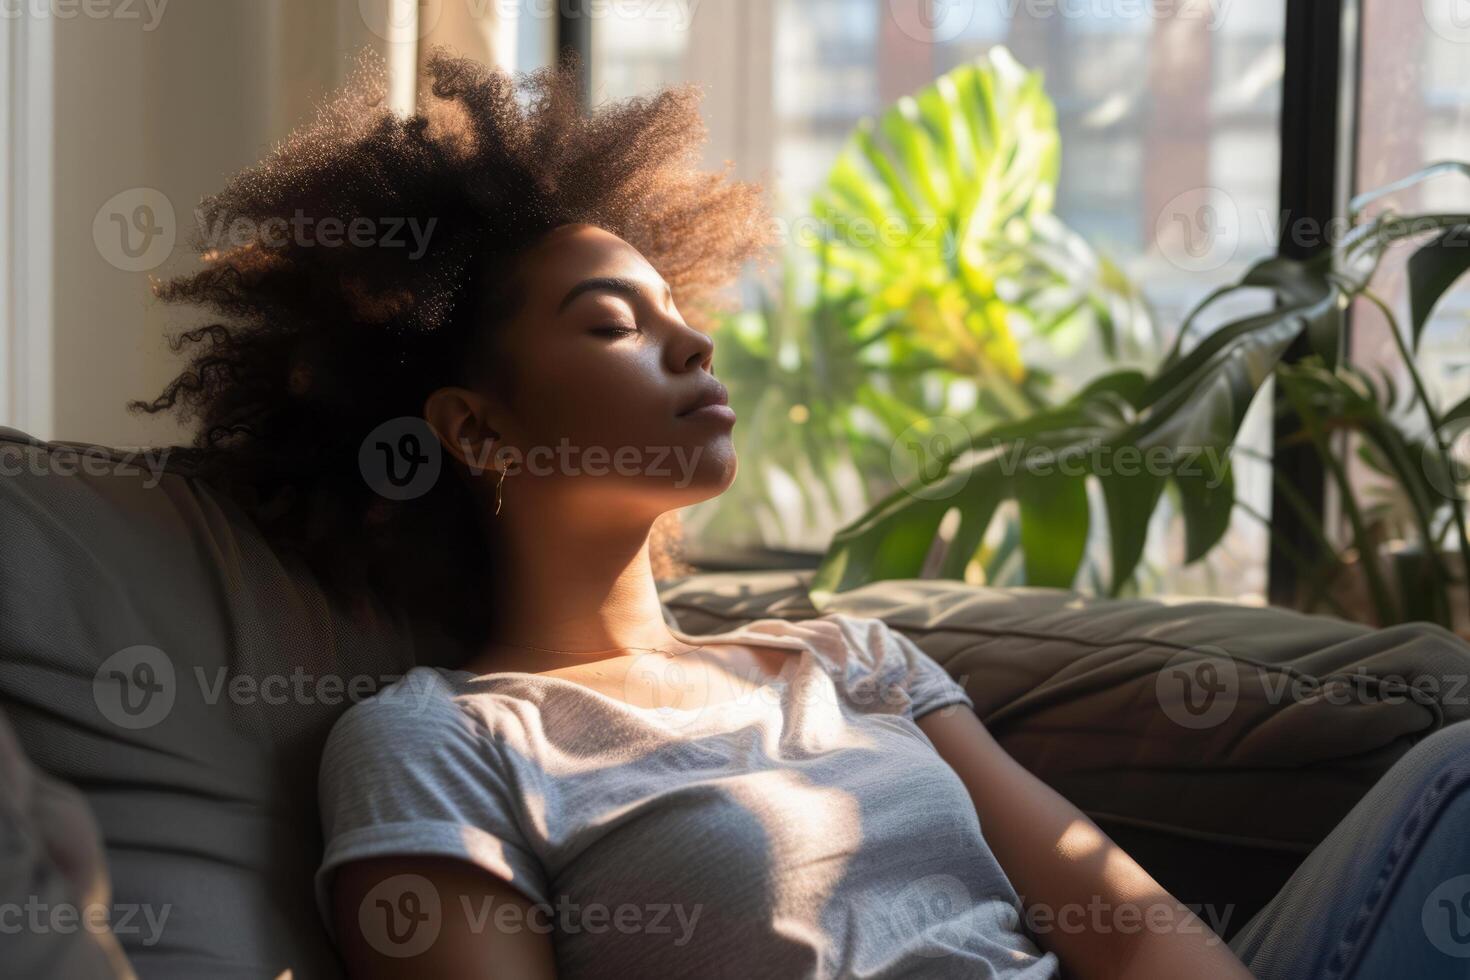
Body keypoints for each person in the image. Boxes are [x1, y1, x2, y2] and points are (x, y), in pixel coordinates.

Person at [131, 47, 1251, 978]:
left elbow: (1134, 928)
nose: (696, 342)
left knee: (1438, 783)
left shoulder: (857, 661)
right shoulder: (445, 740)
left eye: (679, 306)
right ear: (475, 430)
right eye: (614, 321)